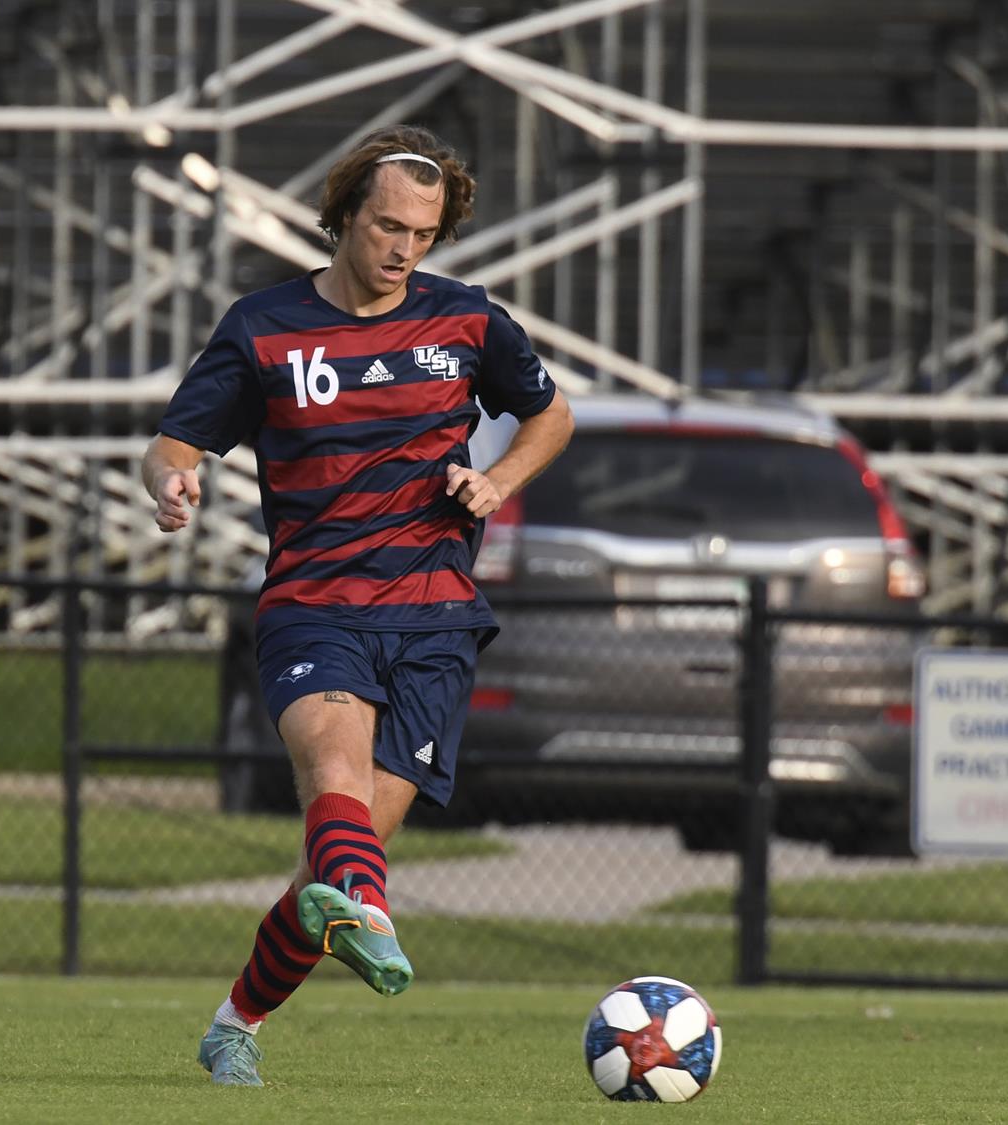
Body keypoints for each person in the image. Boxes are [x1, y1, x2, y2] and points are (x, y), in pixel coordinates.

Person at [143, 124, 576, 1087]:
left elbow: (552, 412)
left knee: (339, 860)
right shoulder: (262, 327)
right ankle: (374, 918)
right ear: (344, 214)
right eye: (386, 226)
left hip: (433, 616)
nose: (402, 248)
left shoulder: (468, 322)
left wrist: (498, 481)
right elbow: (174, 444)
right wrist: (170, 484)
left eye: (422, 234)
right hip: (315, 605)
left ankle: (236, 1020)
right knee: (333, 775)